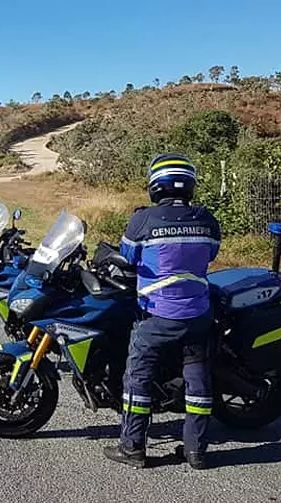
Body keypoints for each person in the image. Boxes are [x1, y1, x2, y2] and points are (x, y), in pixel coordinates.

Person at [103, 154, 221, 470]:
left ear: (156, 185)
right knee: (198, 382)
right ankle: (196, 451)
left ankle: (132, 447)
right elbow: (211, 253)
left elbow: (128, 256)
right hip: (198, 315)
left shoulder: (143, 220)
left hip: (158, 316)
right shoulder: (207, 219)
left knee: (137, 379)